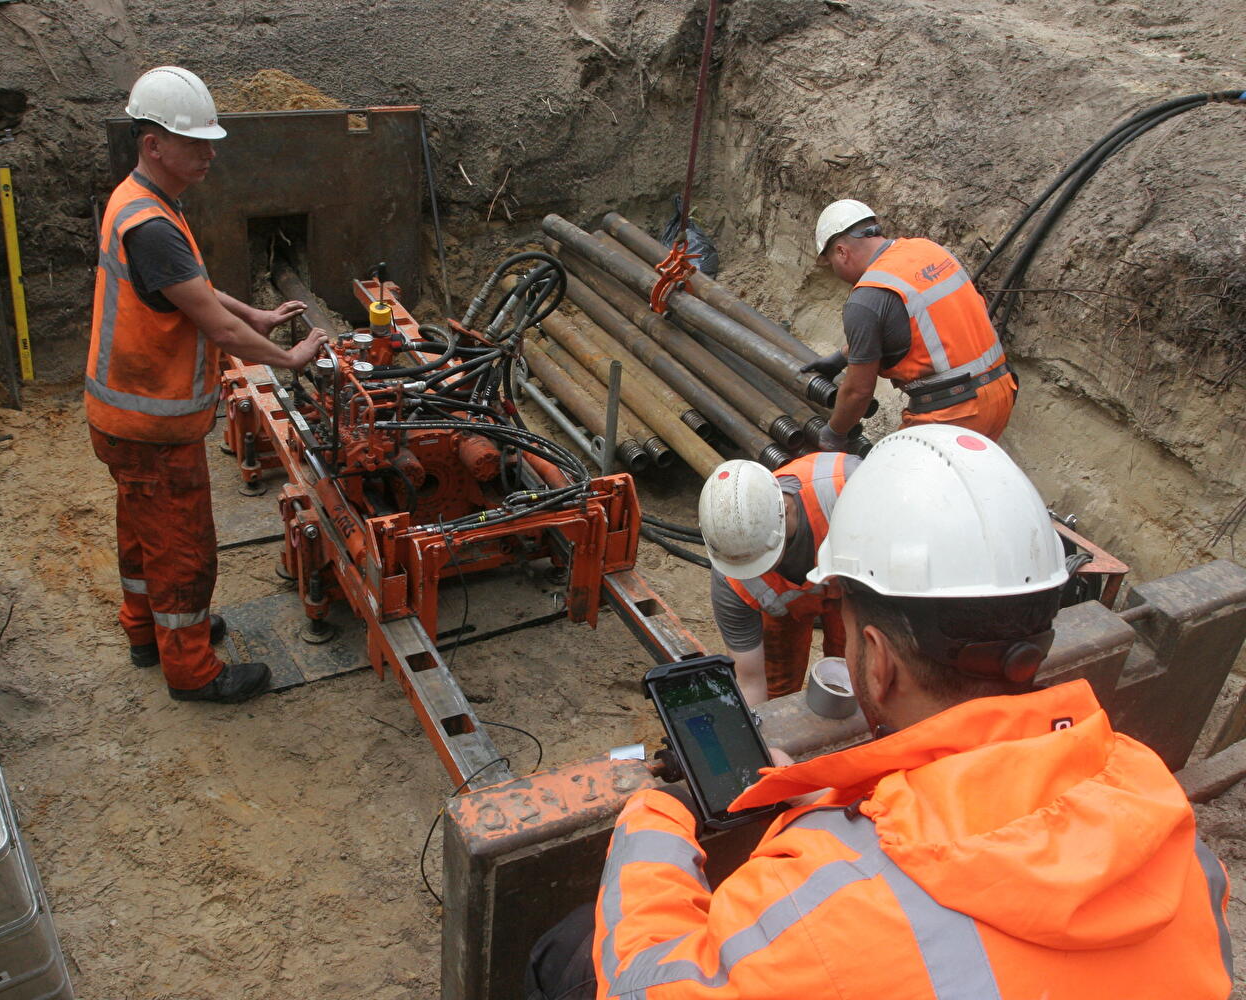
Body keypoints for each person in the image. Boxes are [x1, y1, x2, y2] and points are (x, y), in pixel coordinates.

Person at [528, 425, 1233, 999]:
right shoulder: (1165, 819)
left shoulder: (817, 916)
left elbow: (649, 984)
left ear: (876, 656)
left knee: (563, 954)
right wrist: (827, 793)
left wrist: (657, 812)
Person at [85, 66, 327, 703]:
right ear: (153, 144)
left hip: (121, 419)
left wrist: (257, 313)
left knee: (141, 533)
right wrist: (291, 357)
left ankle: (146, 632)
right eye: (194, 143)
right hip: (153, 427)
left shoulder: (141, 203)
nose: (209, 153)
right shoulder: (153, 224)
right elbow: (214, 325)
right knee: (183, 550)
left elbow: (192, 290)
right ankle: (192, 669)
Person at [804, 200, 1017, 451]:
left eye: (831, 262)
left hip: (954, 413)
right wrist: (841, 357)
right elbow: (921, 327)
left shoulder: (866, 297)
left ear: (841, 252)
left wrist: (835, 432)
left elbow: (858, 393)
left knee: (896, 483)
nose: (836, 272)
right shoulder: (927, 250)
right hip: (1002, 392)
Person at [698, 453, 859, 706]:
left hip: (860, 592)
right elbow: (750, 681)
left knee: (858, 670)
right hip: (787, 612)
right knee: (777, 689)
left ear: (785, 510)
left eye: (762, 560)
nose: (756, 574)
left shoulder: (850, 488)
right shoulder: (732, 583)